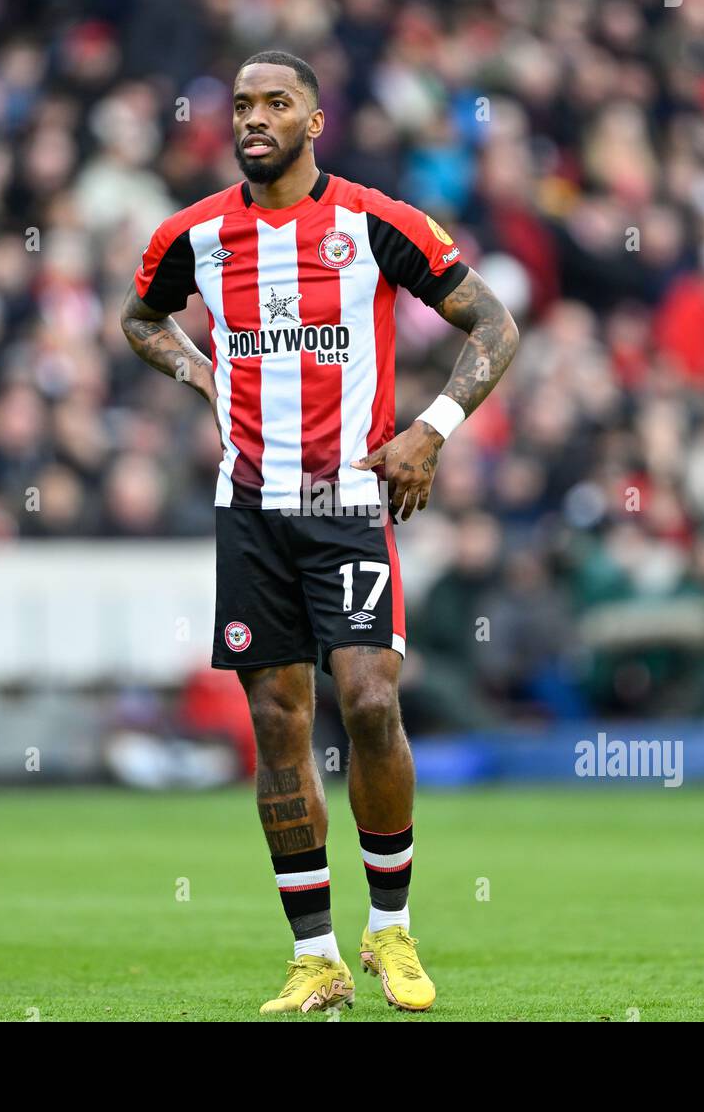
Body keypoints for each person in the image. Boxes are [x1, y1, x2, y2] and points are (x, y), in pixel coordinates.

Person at [120, 50, 518, 1015]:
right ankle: (317, 958)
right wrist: (201, 374)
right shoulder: (195, 236)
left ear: (315, 120)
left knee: (371, 702)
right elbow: (140, 320)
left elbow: (494, 326)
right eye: (244, 105)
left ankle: (392, 933)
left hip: (345, 497)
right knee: (277, 722)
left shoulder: (375, 224)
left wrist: (430, 431)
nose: (255, 118)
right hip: (250, 503)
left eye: (277, 103)